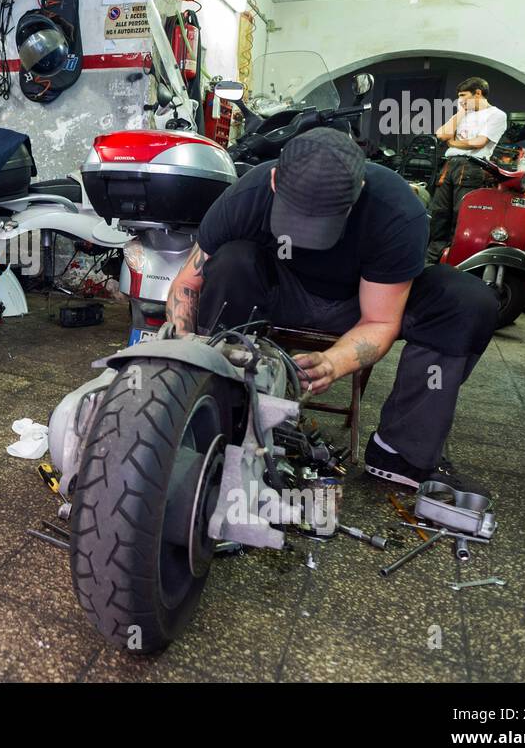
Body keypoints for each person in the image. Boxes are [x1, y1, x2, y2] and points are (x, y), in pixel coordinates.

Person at [164, 127, 498, 495]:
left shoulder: (397, 211)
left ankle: (400, 456)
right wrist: (184, 352)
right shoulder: (247, 193)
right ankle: (223, 411)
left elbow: (380, 319)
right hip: (279, 292)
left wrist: (333, 362)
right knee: (232, 260)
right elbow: (187, 283)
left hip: (361, 304)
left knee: (467, 301)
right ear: (275, 180)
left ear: (356, 196)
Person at [425, 76, 508, 263]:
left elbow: (478, 142)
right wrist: (462, 111)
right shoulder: (464, 113)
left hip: (472, 166)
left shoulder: (496, 115)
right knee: (439, 213)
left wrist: (453, 143)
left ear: (478, 93)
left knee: (460, 215)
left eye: (463, 95)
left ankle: (453, 260)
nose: (460, 99)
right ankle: (431, 260)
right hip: (450, 165)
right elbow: (441, 134)